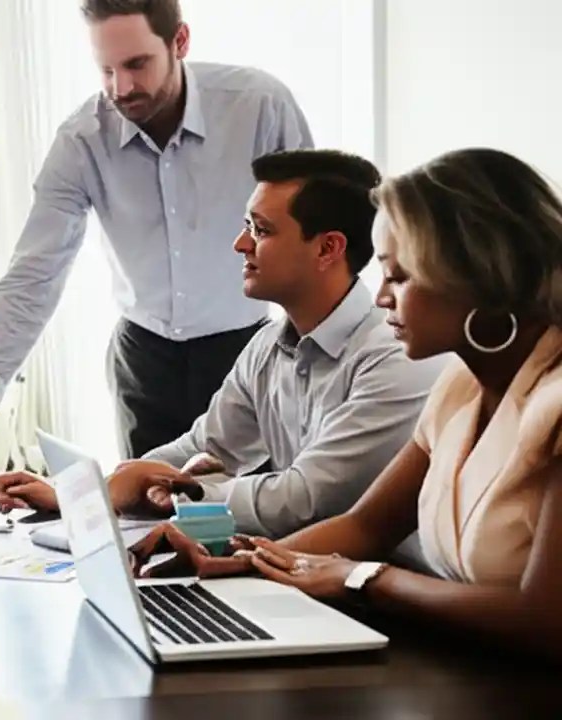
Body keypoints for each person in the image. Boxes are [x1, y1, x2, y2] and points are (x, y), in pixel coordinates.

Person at [129, 148, 562, 660]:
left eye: (399, 277)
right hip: (466, 665)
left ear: (475, 279)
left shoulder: (551, 405)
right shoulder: (460, 388)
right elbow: (366, 525)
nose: (381, 298)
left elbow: (545, 620)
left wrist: (364, 579)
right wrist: (234, 557)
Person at [0, 0, 311, 497]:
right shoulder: (81, 141)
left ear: (180, 43)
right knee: (143, 525)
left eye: (136, 65)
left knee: (255, 523)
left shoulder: (258, 106)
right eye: (105, 69)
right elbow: (30, 281)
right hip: (143, 364)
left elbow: (313, 234)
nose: (121, 88)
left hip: (246, 351)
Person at [0, 150, 444, 537]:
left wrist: (173, 494)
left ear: (327, 249)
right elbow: (205, 446)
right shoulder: (269, 344)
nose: (240, 243)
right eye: (247, 225)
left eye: (261, 230)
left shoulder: (393, 355)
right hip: (304, 568)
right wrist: (83, 492)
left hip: (388, 591)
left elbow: (308, 499)